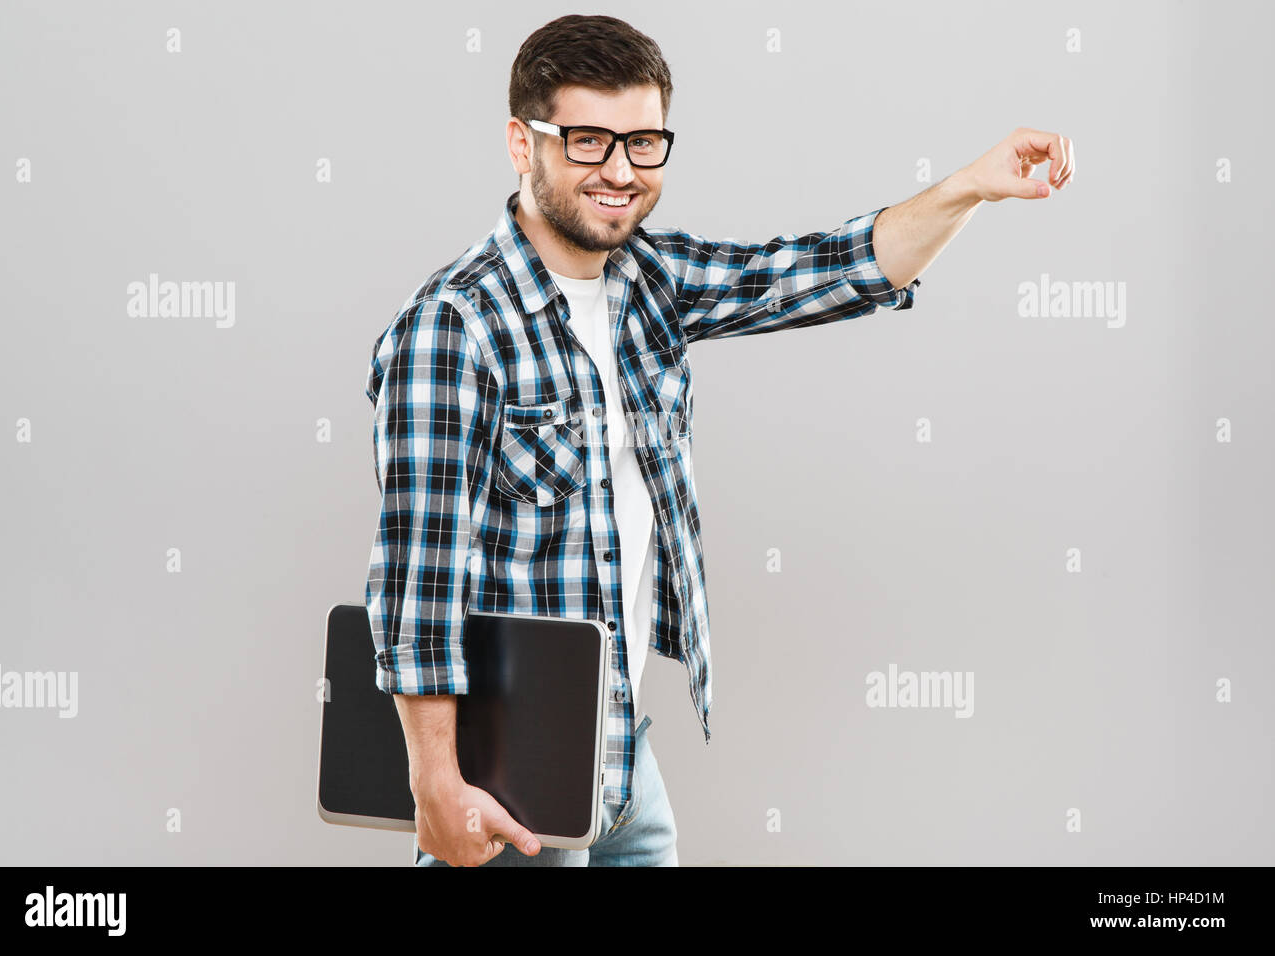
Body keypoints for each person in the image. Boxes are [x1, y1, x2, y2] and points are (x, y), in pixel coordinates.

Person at [364, 13, 1075, 867]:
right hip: (509, 774)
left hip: (620, 751)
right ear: (523, 144)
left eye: (644, 142)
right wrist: (435, 784)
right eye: (588, 141)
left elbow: (830, 268)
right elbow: (416, 579)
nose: (621, 171)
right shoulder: (453, 327)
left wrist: (969, 187)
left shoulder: (650, 282)